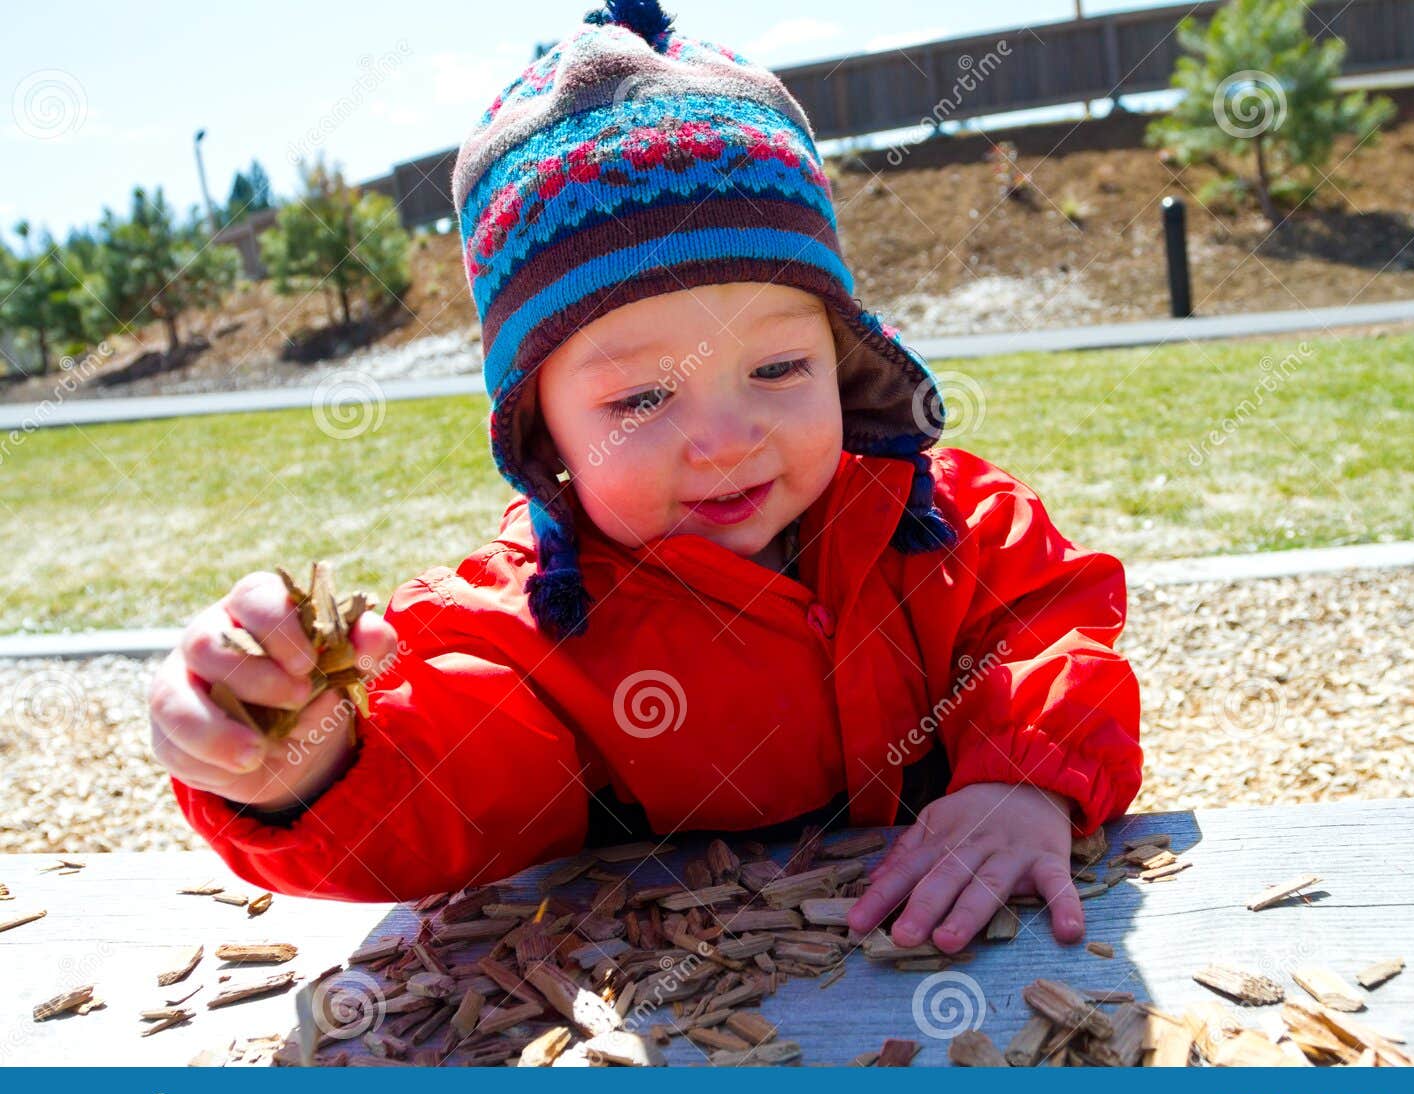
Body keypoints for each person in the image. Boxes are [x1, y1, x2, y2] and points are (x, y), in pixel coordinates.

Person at [147, 0, 1143, 956]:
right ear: (541, 434)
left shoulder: (941, 520)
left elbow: (1049, 627)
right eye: (638, 401)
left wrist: (1024, 777)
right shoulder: (532, 628)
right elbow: (442, 779)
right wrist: (303, 762)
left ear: (842, 357)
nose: (724, 440)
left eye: (778, 368)